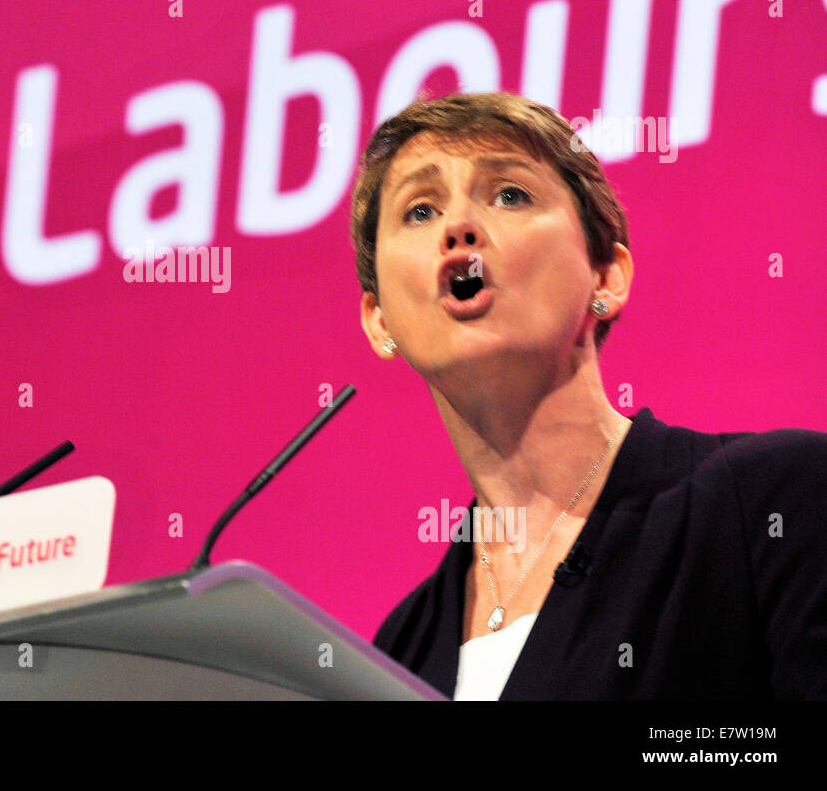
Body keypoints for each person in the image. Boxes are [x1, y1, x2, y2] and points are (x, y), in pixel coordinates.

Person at [350, 92, 827, 699]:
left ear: (606, 276)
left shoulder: (771, 504)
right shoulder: (397, 651)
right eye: (419, 210)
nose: (458, 227)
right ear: (379, 320)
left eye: (510, 194)